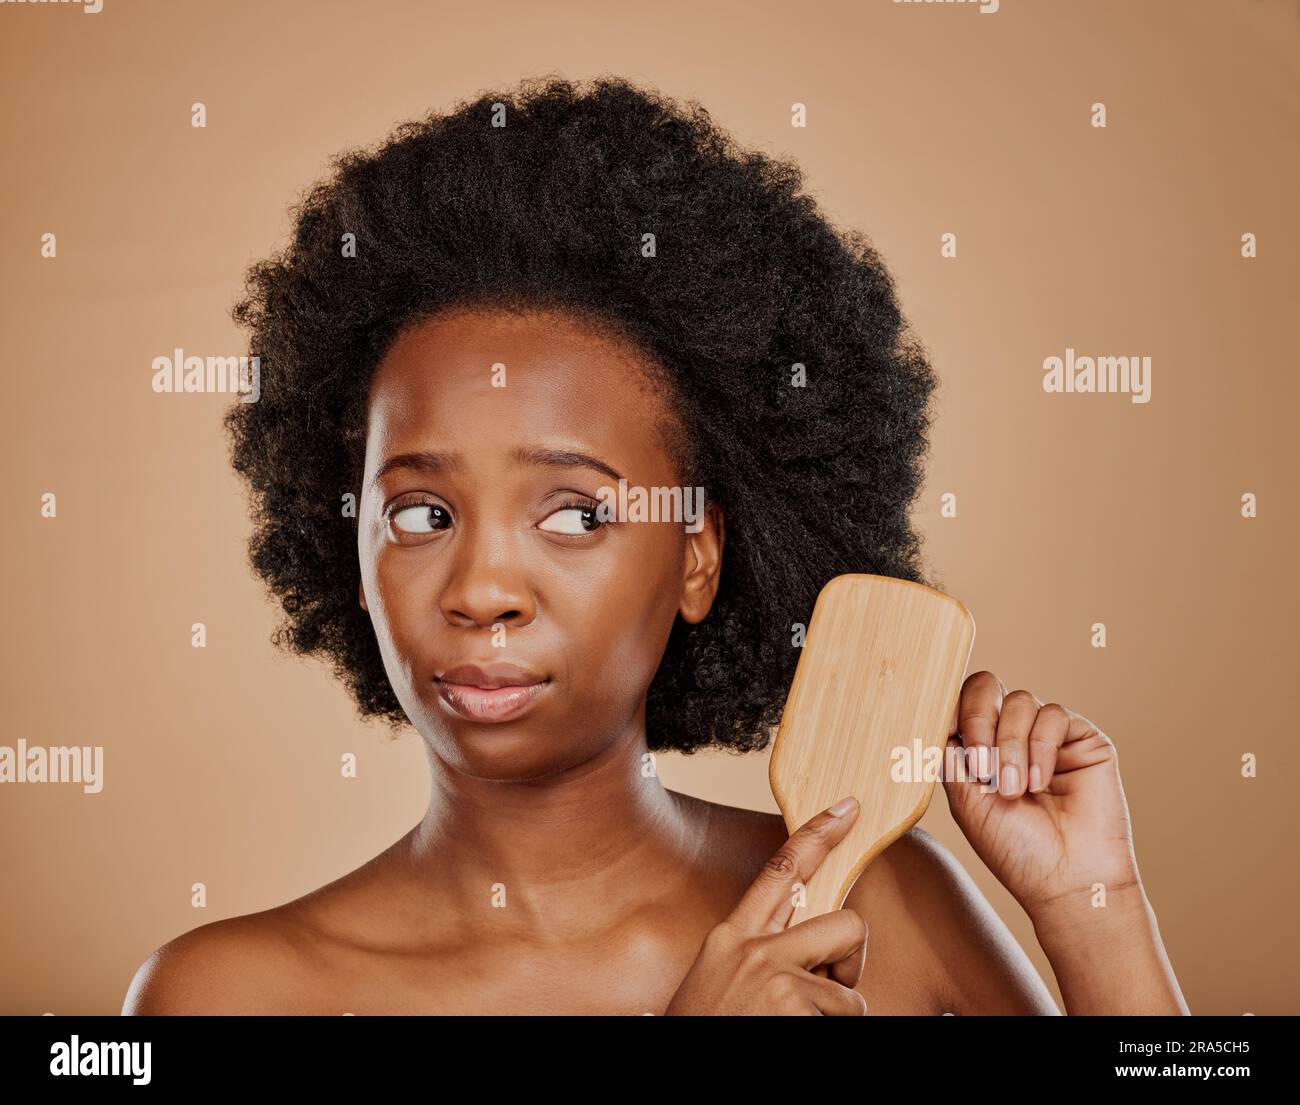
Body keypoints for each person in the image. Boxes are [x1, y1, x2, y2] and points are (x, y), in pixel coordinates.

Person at [123, 75, 1186, 1015]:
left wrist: (1094, 909)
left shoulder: (885, 904)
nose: (483, 586)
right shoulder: (224, 993)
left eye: (577, 514)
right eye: (420, 514)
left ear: (696, 557)